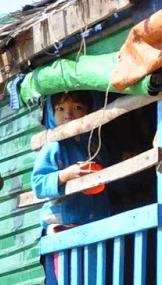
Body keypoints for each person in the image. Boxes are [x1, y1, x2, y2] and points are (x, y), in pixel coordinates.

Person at [31, 91, 112, 228]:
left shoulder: (95, 146)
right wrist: (66, 175)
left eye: (77, 108)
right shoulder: (53, 145)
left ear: (90, 112)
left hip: (98, 223)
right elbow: (38, 184)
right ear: (51, 113)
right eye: (60, 109)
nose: (68, 115)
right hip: (63, 227)